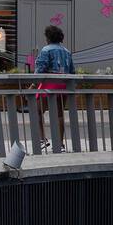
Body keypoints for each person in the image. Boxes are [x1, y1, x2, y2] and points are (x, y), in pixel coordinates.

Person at [34, 25, 75, 153]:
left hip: (49, 84)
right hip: (63, 85)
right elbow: (72, 71)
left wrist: (33, 84)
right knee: (59, 115)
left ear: (48, 37)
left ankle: (42, 140)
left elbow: (40, 70)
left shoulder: (46, 50)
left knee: (37, 111)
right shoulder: (67, 52)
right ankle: (60, 143)